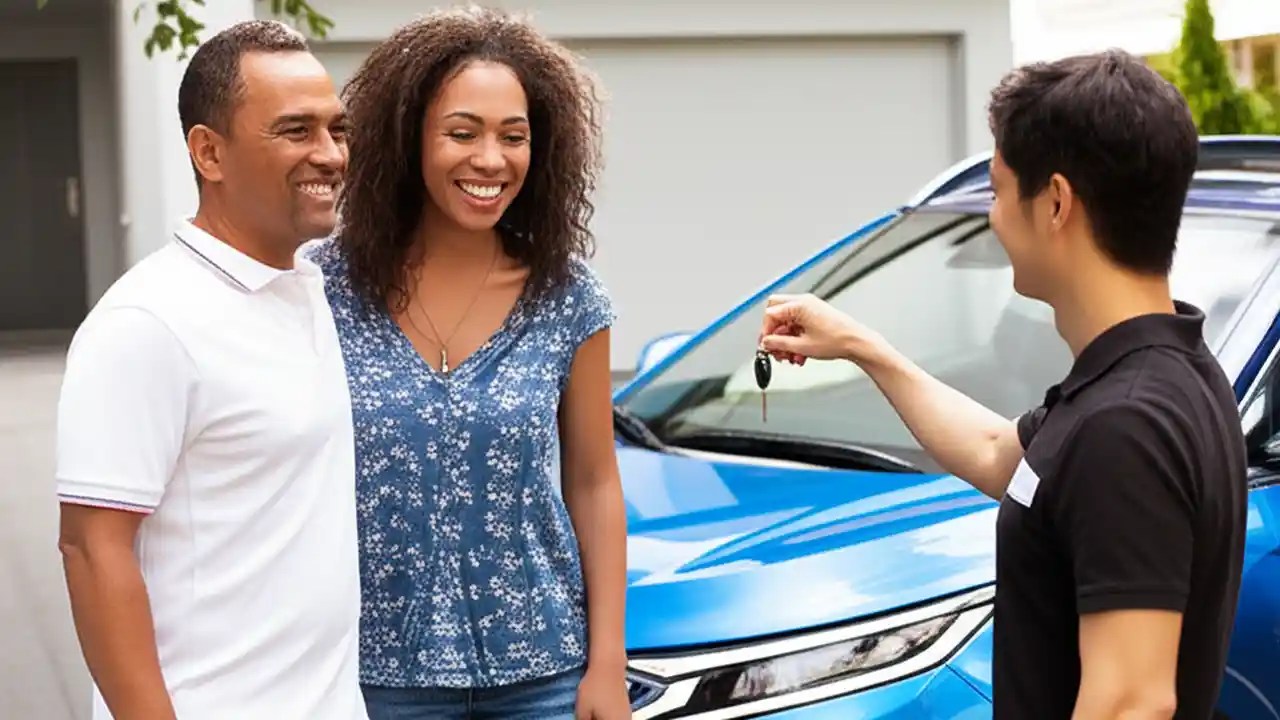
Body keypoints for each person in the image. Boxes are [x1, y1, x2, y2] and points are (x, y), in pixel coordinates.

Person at [758, 50, 1247, 719]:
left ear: (1054, 203)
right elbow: (1000, 455)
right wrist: (862, 348)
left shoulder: (1125, 427)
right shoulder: (1159, 375)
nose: (991, 217)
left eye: (995, 189)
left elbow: (1131, 702)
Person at [303, 6, 631, 720]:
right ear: (406, 140)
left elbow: (595, 481)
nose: (492, 159)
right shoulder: (319, 291)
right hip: (371, 678)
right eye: (462, 133)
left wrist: (606, 664)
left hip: (543, 676)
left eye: (514, 137)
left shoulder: (567, 294)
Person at [54, 20, 366, 720]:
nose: (330, 155)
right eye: (295, 131)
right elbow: (91, 551)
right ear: (209, 152)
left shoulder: (308, 287)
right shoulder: (148, 322)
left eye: (336, 129)